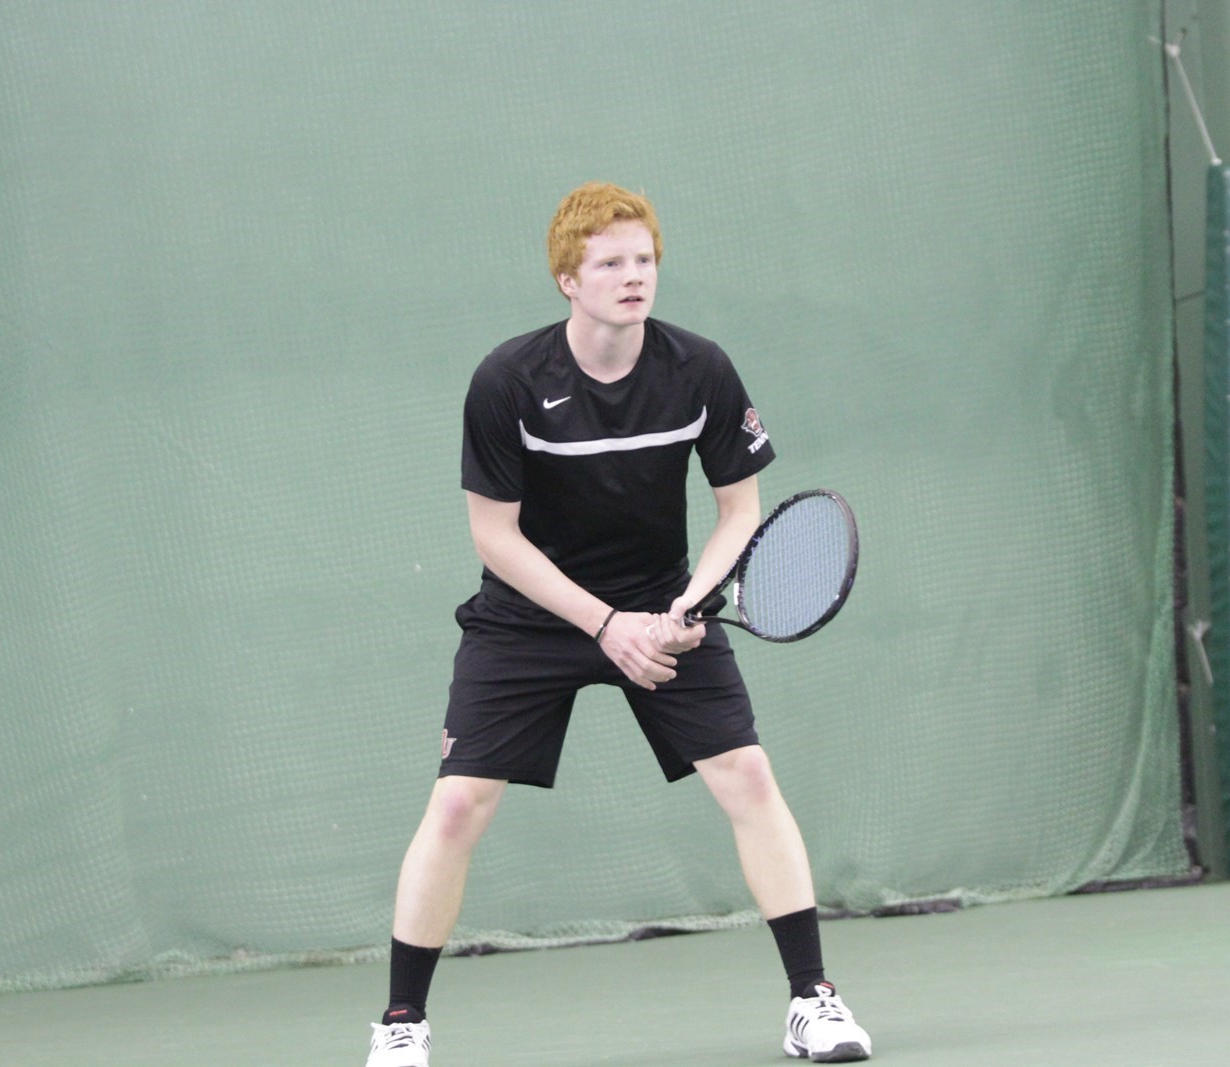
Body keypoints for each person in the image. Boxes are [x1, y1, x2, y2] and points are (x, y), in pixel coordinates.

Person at [365, 182, 872, 1066]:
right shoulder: (509, 381)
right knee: (455, 807)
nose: (633, 277)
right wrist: (606, 625)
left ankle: (814, 1002)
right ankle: (401, 1022)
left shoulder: (699, 369)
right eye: (610, 264)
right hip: (527, 622)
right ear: (569, 278)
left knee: (748, 778)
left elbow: (738, 511)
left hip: (661, 603)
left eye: (644, 261)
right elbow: (494, 534)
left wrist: (681, 610)